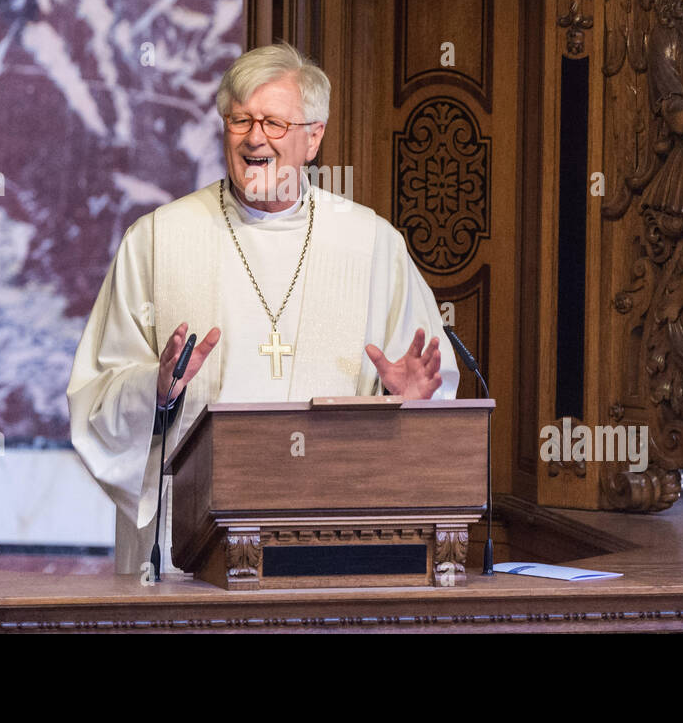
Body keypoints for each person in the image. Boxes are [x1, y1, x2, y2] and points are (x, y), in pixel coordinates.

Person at [66, 42, 459, 572]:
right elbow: (96, 395)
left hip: (332, 533)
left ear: (313, 137)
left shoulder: (372, 246)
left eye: (274, 123)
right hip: (193, 541)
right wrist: (153, 392)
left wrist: (405, 404)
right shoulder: (158, 239)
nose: (255, 138)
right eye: (240, 120)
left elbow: (433, 403)